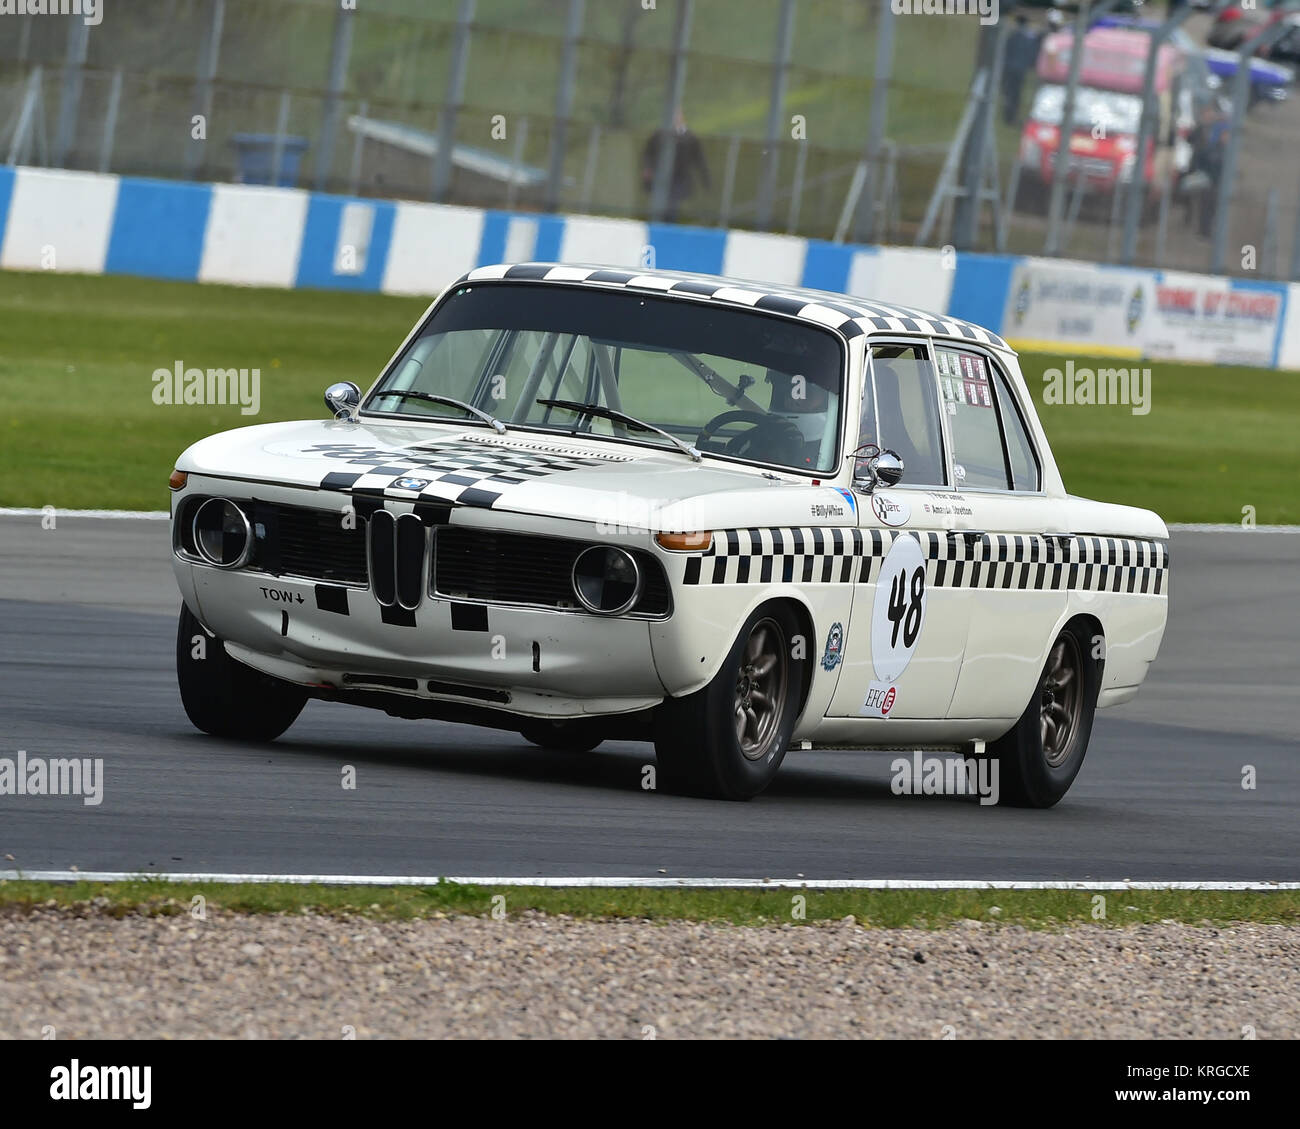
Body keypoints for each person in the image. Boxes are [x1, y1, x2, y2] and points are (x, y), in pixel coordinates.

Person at [640, 109, 711, 223]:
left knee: (671, 208)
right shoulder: (658, 134)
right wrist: (647, 169)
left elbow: (699, 160)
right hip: (660, 178)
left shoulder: (690, 137)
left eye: (677, 115)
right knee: (658, 207)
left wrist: (706, 180)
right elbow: (648, 153)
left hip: (679, 180)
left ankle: (668, 228)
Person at [1002, 12, 1050, 126]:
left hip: (1010, 68)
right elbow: (1032, 52)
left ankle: (1009, 116)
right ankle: (1011, 117)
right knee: (1014, 94)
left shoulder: (1013, 35)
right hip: (1020, 69)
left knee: (1010, 93)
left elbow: (1006, 51)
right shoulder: (1028, 36)